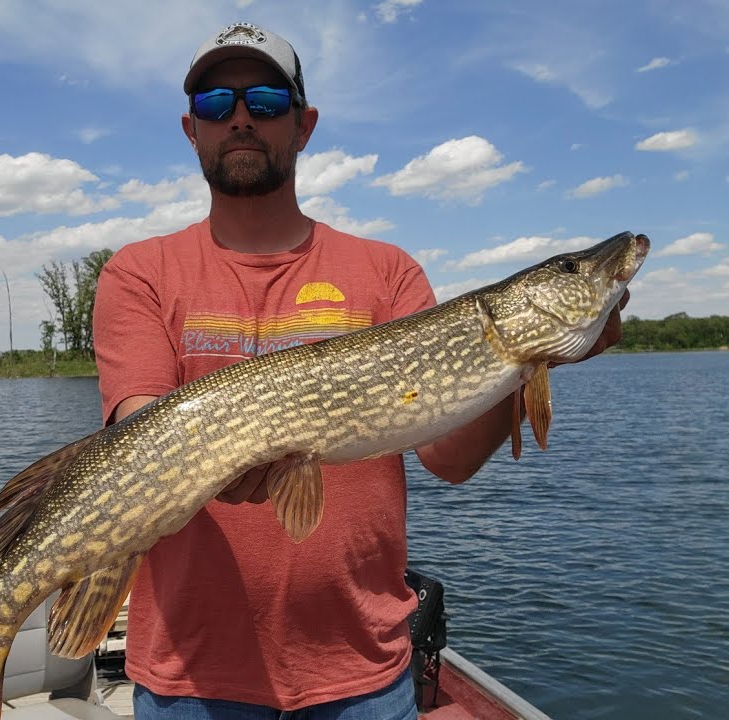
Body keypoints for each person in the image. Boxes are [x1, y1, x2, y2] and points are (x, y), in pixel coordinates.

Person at [91, 21, 628, 719]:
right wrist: (217, 458)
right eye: (218, 105)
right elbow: (140, 424)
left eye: (266, 100)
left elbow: (449, 458)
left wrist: (529, 361)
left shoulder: (387, 273)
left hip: (362, 677)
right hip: (190, 680)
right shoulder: (139, 273)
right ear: (193, 129)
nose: (243, 119)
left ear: (304, 124)